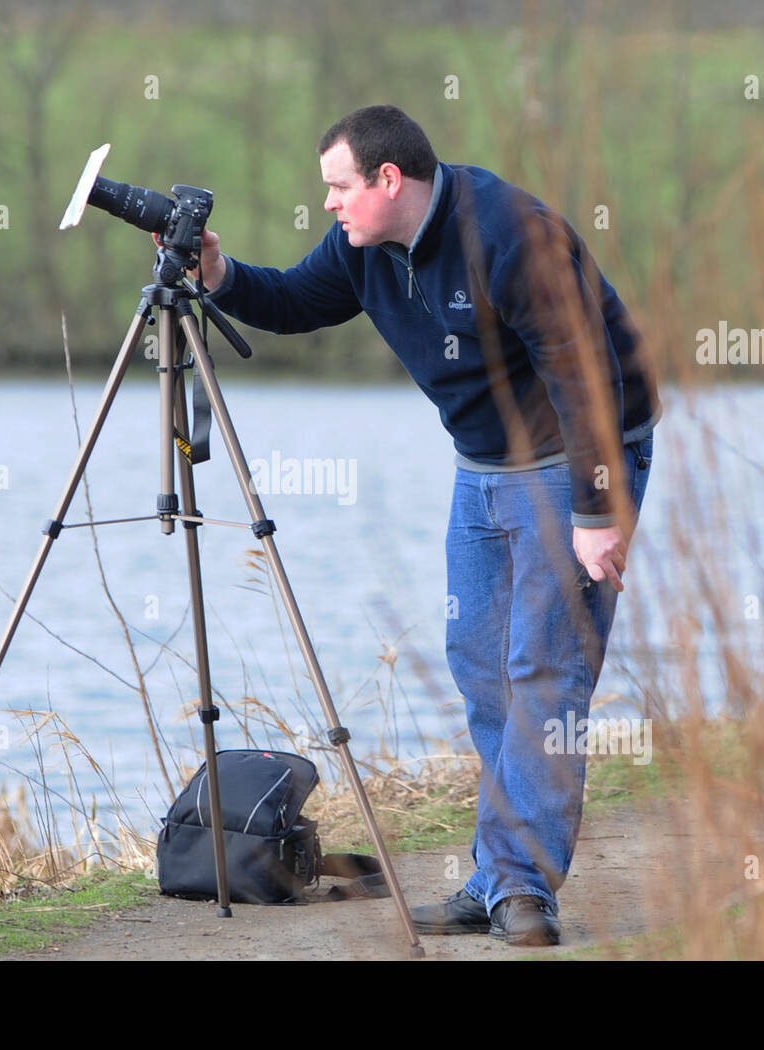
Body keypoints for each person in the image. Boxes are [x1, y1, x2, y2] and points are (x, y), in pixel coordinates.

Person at [178, 104, 661, 946]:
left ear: (388, 180)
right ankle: (496, 876)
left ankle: (521, 891)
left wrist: (594, 510)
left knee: (544, 673)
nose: (328, 203)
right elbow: (291, 302)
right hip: (482, 465)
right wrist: (220, 275)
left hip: (574, 457)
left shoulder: (512, 234)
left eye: (338, 187)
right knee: (480, 663)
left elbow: (587, 377)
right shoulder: (365, 249)